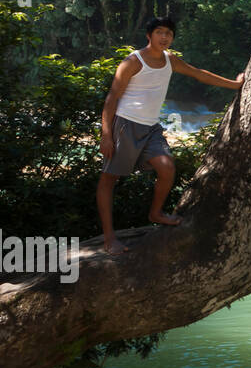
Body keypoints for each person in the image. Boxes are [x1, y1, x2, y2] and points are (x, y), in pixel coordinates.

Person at [97, 16, 243, 254]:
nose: (164, 37)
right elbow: (112, 98)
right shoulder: (132, 62)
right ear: (149, 35)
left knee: (166, 167)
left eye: (169, 34)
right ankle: (109, 239)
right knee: (108, 180)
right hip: (125, 124)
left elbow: (199, 74)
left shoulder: (169, 60)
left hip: (151, 127)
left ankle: (156, 212)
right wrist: (106, 135)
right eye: (160, 32)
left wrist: (234, 85)